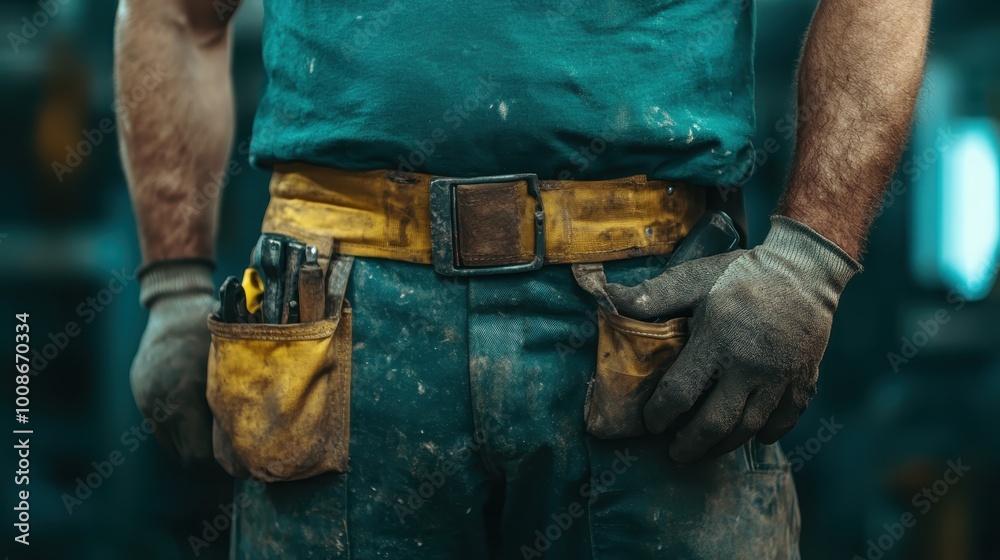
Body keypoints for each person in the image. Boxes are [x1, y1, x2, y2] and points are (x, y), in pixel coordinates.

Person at [115, 0, 933, 557]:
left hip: (655, 319)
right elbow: (176, 14)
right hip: (336, 323)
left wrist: (808, 262)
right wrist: (175, 290)